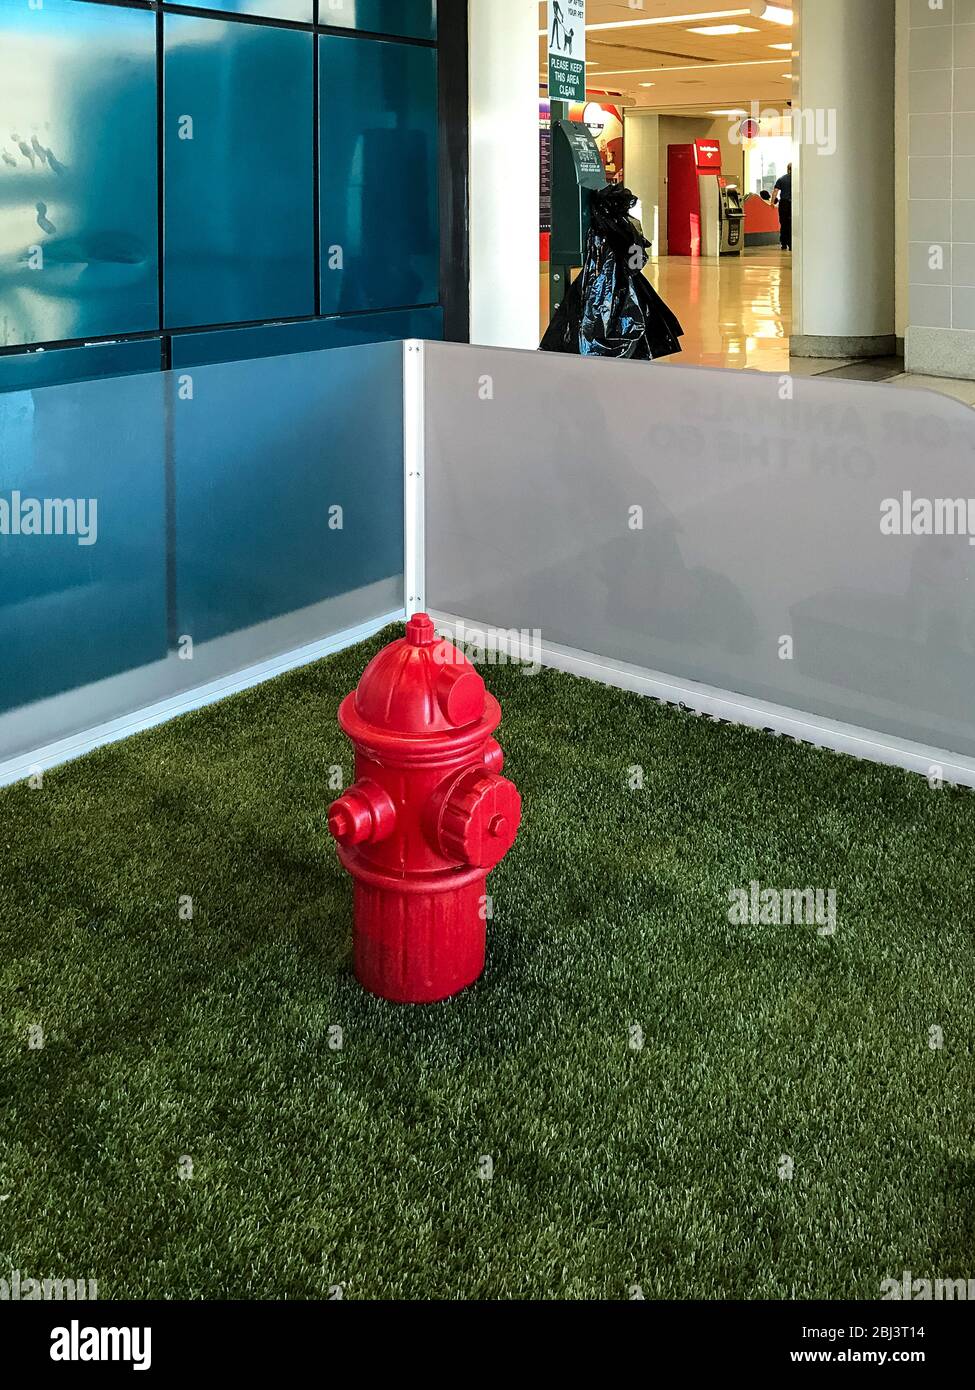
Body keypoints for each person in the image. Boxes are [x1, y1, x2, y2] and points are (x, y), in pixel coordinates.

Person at [772, 163, 792, 251]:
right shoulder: (798, 179)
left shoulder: (781, 179)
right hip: (794, 203)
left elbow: (775, 191)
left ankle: (783, 244)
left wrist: (772, 202)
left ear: (787, 169)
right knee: (792, 223)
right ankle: (791, 243)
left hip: (784, 203)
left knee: (783, 223)